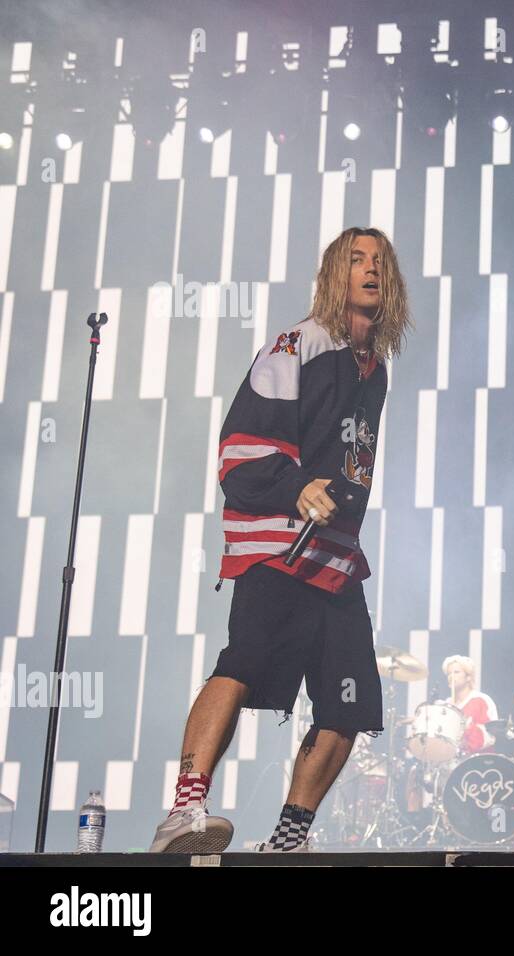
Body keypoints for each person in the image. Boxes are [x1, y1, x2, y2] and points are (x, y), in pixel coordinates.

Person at [149, 227, 411, 853]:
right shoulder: (301, 342)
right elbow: (239, 448)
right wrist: (295, 486)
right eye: (357, 259)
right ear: (334, 274)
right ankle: (184, 811)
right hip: (279, 545)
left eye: (380, 261)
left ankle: (287, 840)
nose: (370, 269)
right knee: (244, 660)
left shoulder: (374, 369)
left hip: (337, 559)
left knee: (350, 703)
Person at [441, 655, 498, 754]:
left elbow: (488, 737)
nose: (451, 676)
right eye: (449, 673)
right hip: (450, 762)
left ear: (468, 677)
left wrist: (466, 725)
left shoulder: (481, 700)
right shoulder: (446, 705)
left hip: (477, 763)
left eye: (456, 672)